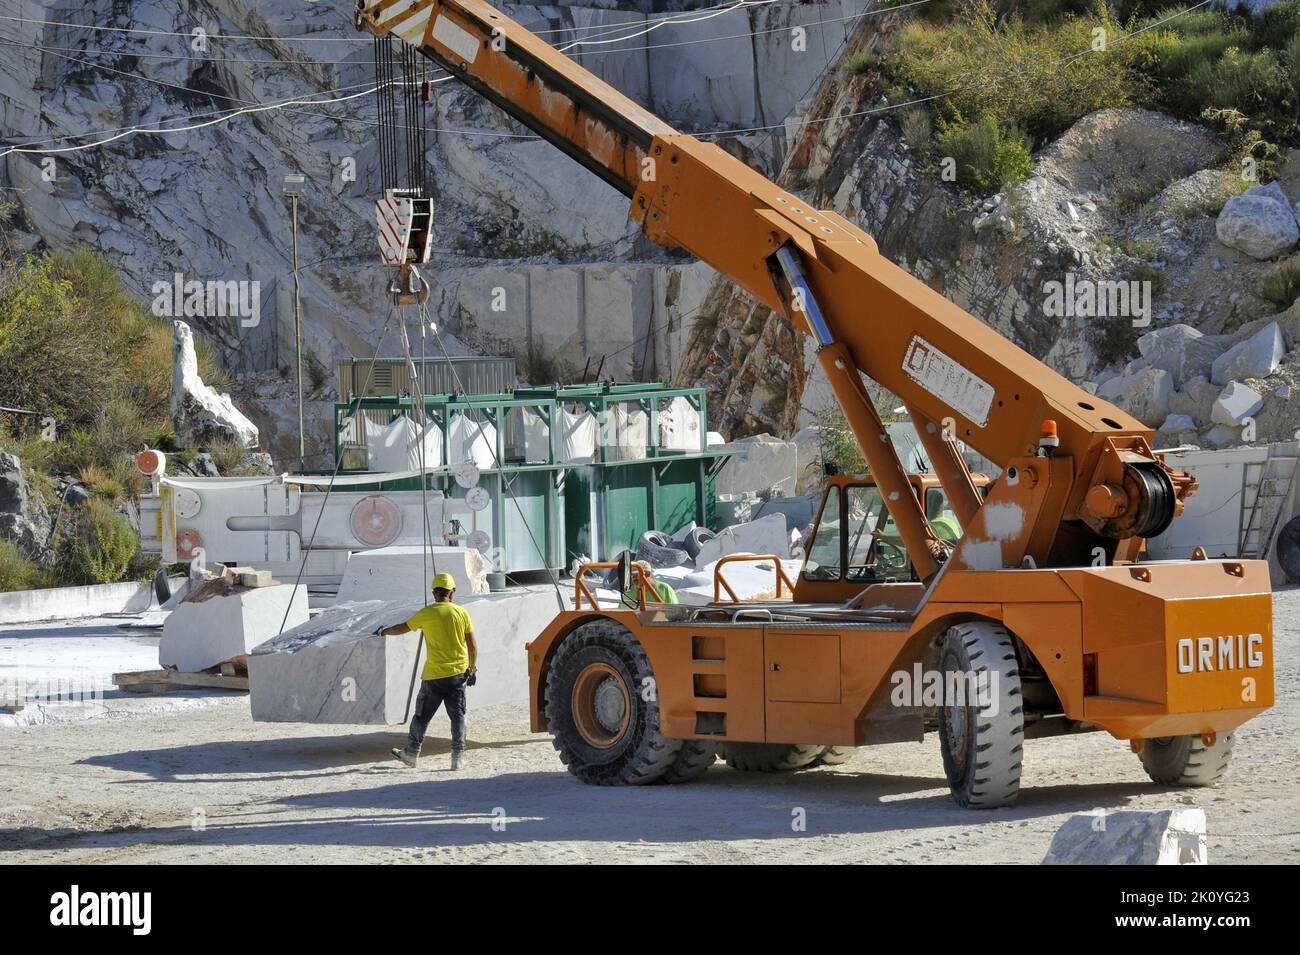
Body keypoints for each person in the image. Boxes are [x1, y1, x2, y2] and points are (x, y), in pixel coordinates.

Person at [376, 572, 477, 770]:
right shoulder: (462, 613)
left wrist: (383, 631)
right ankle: (457, 758)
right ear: (452, 592)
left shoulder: (427, 613)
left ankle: (412, 754)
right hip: (458, 675)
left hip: (433, 677)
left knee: (421, 716)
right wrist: (472, 669)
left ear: (434, 593)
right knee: (457, 717)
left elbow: (401, 628)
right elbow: (472, 645)